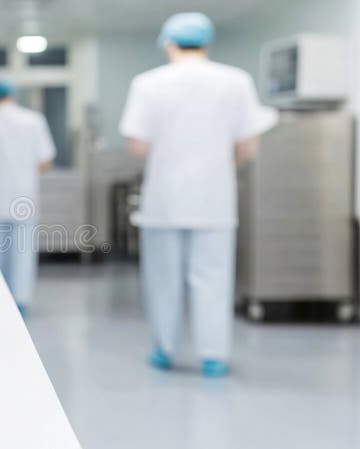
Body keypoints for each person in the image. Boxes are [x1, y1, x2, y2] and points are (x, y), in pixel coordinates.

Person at [119, 12, 277, 377]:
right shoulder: (236, 82)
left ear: (169, 44)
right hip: (215, 199)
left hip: (164, 201)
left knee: (163, 279)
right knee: (214, 278)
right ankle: (213, 355)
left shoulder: (148, 84)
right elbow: (247, 149)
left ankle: (164, 349)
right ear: (207, 42)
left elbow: (138, 147)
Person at [0, 80, 56, 316]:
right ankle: (21, 301)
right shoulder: (34, 120)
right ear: (14, 95)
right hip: (24, 197)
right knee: (23, 253)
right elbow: (45, 162)